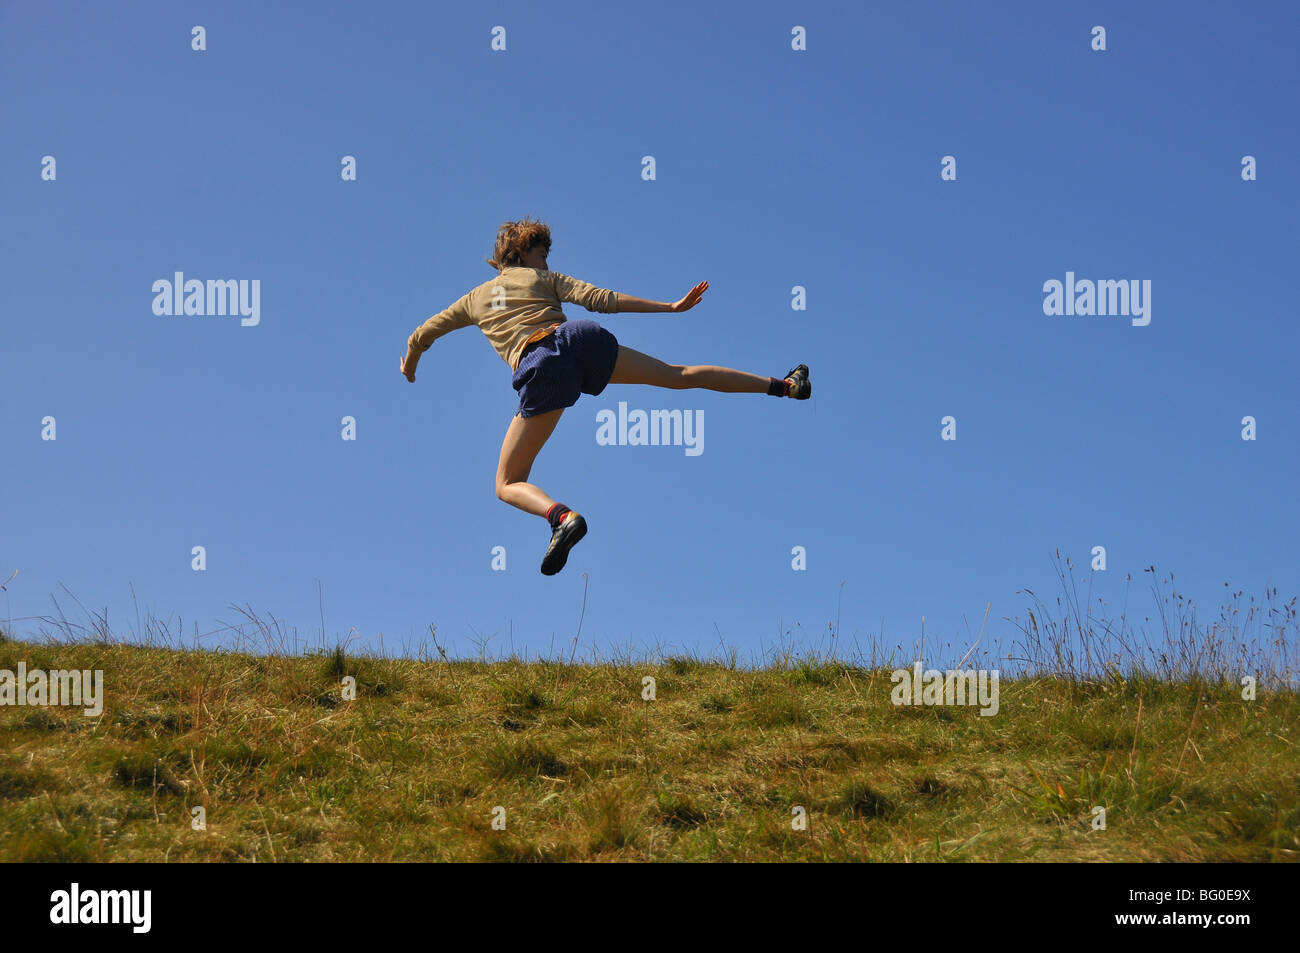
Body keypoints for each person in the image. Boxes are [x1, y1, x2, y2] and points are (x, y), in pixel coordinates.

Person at [401, 217, 811, 575]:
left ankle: (562, 519)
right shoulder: (545, 279)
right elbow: (604, 300)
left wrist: (411, 362)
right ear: (524, 252)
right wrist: (669, 307)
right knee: (678, 375)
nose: (547, 262)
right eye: (543, 254)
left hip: (541, 364)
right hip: (580, 339)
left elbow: (424, 332)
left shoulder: (475, 299)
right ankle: (785, 386)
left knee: (507, 482)